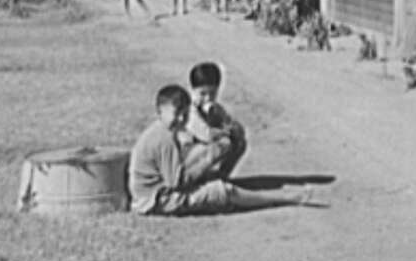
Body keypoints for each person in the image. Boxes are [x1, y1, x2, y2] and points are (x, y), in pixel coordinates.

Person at [128, 84, 314, 216]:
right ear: (159, 112)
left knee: (214, 165)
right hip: (157, 200)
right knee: (223, 192)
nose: (181, 120)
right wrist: (208, 161)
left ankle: (278, 197)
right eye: (176, 115)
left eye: (184, 115)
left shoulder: (162, 131)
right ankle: (285, 198)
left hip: (158, 193)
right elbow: (177, 182)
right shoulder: (164, 137)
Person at [180, 62, 248, 184]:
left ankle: (220, 177)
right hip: (183, 158)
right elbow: (207, 135)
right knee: (224, 144)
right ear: (192, 90)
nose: (208, 98)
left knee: (239, 142)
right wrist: (225, 131)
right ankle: (192, 179)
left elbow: (228, 122)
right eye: (202, 94)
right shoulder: (190, 110)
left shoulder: (214, 108)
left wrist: (235, 129)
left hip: (198, 154)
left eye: (212, 93)